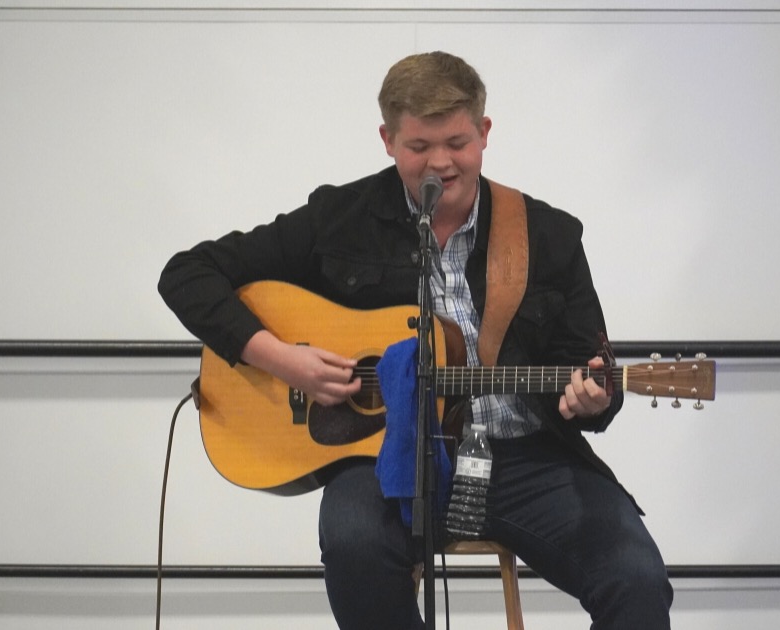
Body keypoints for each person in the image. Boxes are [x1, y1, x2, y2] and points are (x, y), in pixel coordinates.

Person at [158, 50, 672, 629]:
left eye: (457, 142)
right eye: (419, 146)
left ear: (484, 132)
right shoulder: (340, 218)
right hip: (389, 455)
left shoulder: (548, 234)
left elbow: (588, 367)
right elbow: (187, 274)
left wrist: (592, 400)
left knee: (636, 579)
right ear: (387, 140)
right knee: (354, 544)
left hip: (526, 456)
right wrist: (282, 360)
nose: (440, 163)